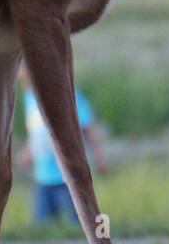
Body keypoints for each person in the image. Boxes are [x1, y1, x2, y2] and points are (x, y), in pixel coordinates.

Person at [17, 65, 108, 223]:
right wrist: (27, 152)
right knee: (41, 226)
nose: (22, 74)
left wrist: (99, 159)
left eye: (26, 68)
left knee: (79, 222)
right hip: (42, 178)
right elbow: (37, 132)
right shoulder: (30, 99)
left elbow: (88, 128)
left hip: (68, 177)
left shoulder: (69, 96)